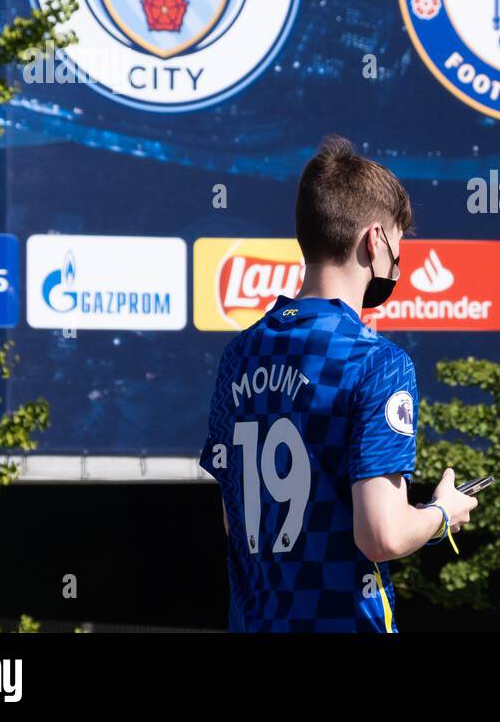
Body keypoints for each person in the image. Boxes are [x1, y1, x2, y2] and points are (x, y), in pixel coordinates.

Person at [199, 135, 478, 632]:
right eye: (399, 240)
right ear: (375, 240)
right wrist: (441, 514)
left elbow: (232, 519)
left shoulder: (239, 353)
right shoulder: (377, 361)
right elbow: (382, 536)